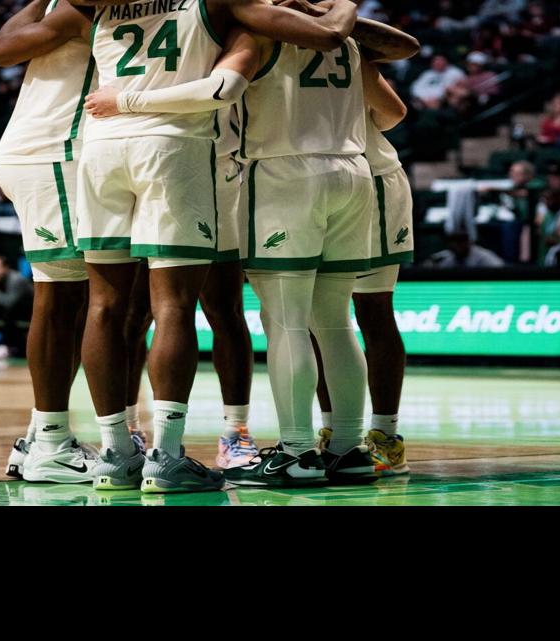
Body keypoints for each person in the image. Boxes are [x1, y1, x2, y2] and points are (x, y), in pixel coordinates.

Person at [69, 0, 372, 493]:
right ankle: (332, 446)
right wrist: (342, 10)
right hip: (199, 150)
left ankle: (117, 451)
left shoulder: (99, 6)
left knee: (104, 305)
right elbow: (388, 58)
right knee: (317, 318)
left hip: (104, 147)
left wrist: (123, 100)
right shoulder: (234, 10)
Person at [0, 0, 102, 483]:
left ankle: (39, 437)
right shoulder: (78, 8)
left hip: (47, 153)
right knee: (60, 298)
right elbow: (0, 52)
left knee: (71, 301)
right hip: (54, 152)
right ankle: (52, 443)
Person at [314, 56, 416, 475]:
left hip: (365, 175)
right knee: (327, 317)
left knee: (364, 311)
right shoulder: (343, 49)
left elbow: (393, 113)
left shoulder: (346, 50)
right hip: (322, 177)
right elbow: (391, 114)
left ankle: (379, 434)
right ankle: (343, 434)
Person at [425, 231, 505, 268]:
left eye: (461, 241)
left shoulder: (484, 256)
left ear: (468, 242)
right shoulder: (447, 256)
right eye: (454, 241)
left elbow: (501, 269)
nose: (457, 245)